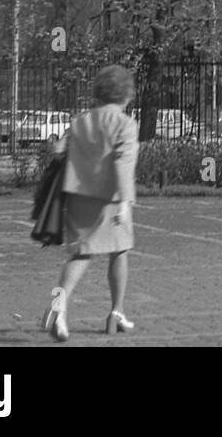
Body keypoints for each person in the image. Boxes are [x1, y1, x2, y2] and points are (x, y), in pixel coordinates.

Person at [41, 64, 140, 342]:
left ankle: (58, 304)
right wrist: (124, 201)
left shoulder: (80, 121)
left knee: (80, 254)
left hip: (77, 196)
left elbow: (59, 151)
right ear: (126, 95)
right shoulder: (125, 124)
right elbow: (122, 162)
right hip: (109, 199)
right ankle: (116, 312)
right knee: (119, 251)